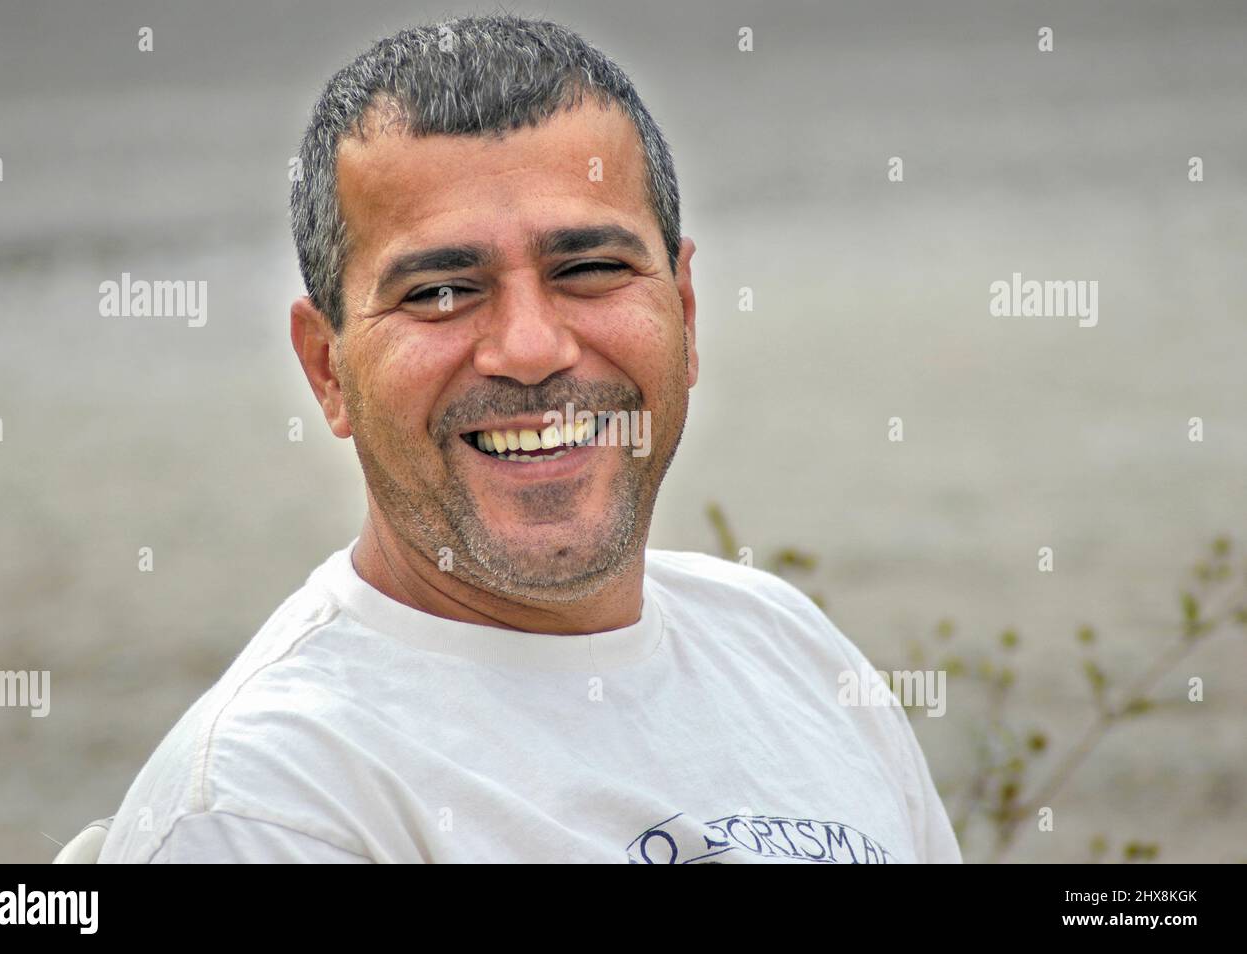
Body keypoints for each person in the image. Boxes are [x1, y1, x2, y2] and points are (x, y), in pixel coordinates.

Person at [100, 13, 962, 864]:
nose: (532, 349)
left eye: (589, 270)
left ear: (686, 315)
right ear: (328, 371)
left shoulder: (788, 650)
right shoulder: (276, 807)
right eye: (440, 291)